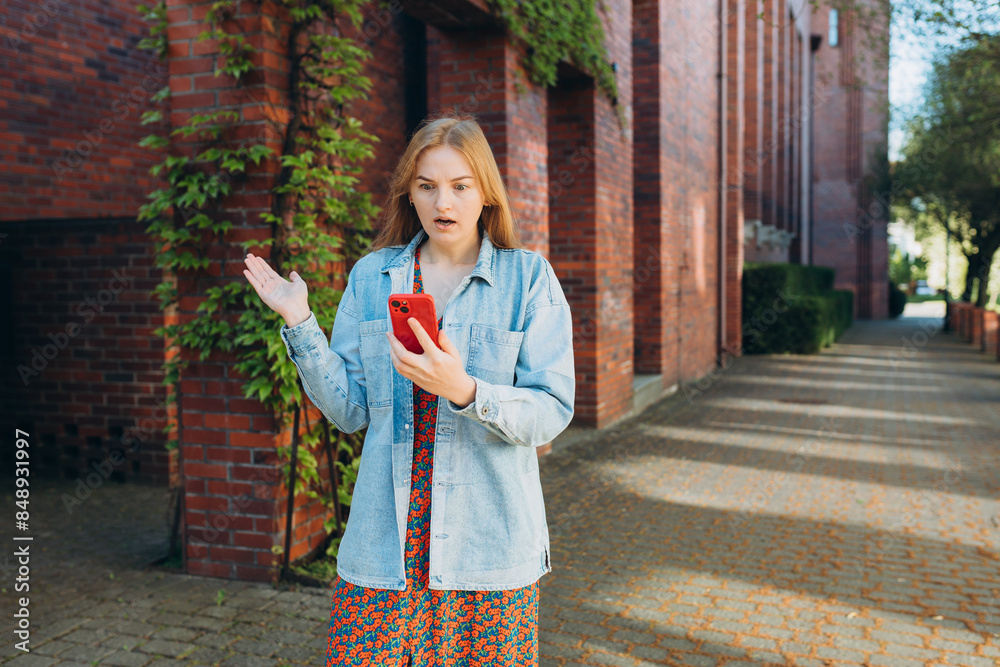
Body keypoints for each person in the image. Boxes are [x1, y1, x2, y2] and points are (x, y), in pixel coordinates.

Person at [242, 113, 575, 666]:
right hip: (384, 547)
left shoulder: (528, 280)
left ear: (486, 194)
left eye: (460, 186)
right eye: (428, 186)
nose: (444, 201)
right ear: (410, 195)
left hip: (487, 552)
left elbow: (552, 409)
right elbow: (349, 410)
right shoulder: (373, 278)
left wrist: (466, 390)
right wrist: (300, 323)